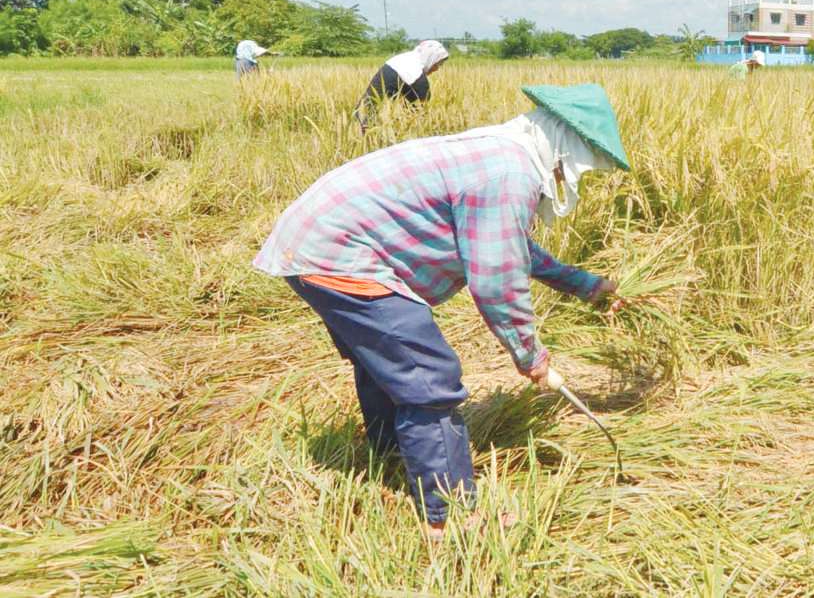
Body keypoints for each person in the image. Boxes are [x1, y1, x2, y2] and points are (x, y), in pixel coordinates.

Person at [253, 83, 630, 539]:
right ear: (568, 146)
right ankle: (452, 518)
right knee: (428, 376)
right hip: (341, 254)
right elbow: (496, 280)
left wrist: (587, 287)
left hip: (316, 243)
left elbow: (511, 247)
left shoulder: (502, 155)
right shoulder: (508, 173)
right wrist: (529, 355)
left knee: (386, 363)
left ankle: (394, 458)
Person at [354, 40, 450, 131]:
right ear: (430, 58)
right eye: (437, 64)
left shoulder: (403, 59)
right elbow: (420, 111)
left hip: (363, 114)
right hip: (373, 122)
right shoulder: (417, 76)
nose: (437, 68)